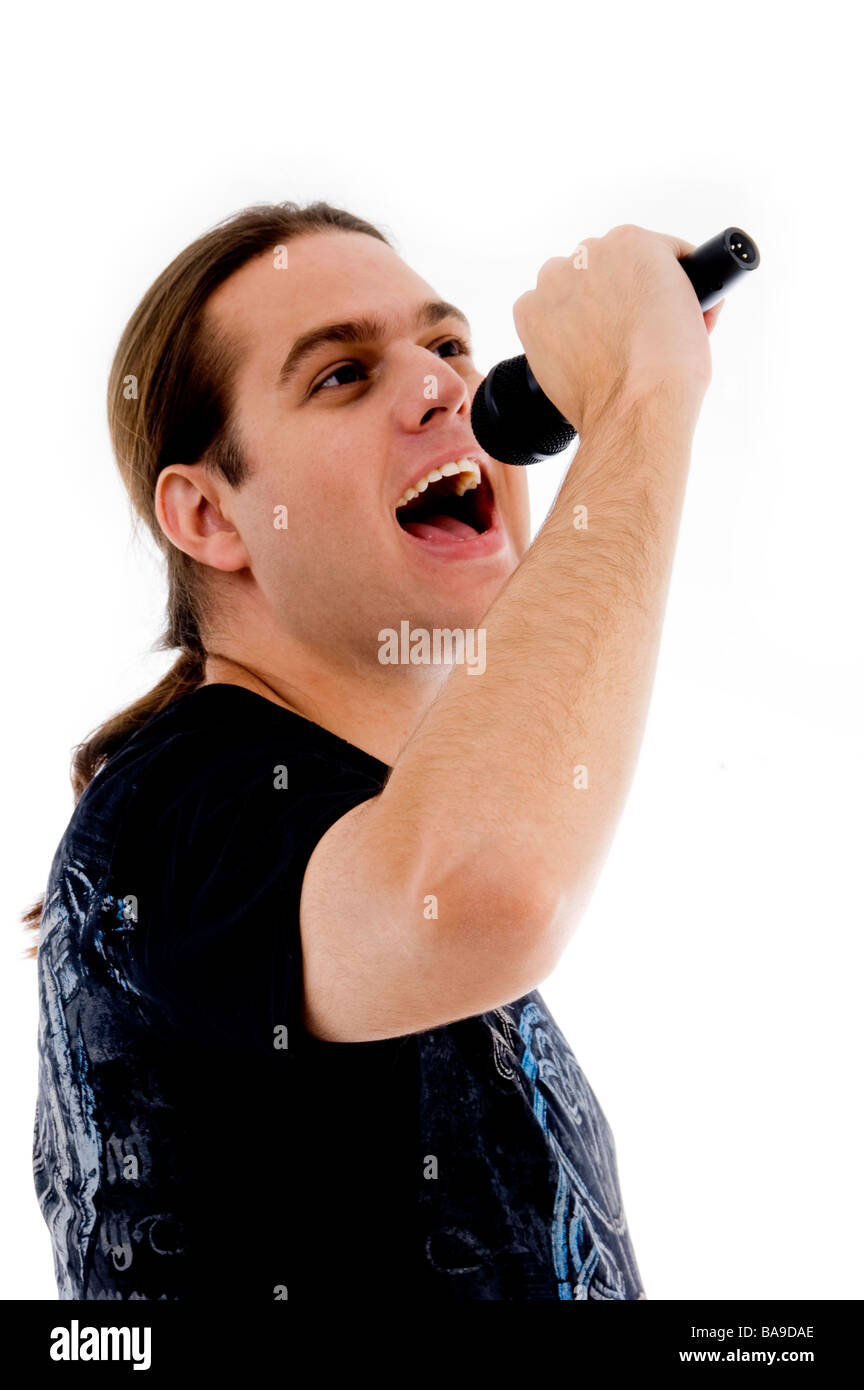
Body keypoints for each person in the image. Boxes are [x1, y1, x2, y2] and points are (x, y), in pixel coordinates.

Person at [26, 200, 721, 1301]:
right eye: (341, 375)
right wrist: (643, 400)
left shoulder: (363, 834)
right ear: (210, 515)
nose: (443, 384)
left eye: (448, 345)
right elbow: (490, 886)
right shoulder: (173, 809)